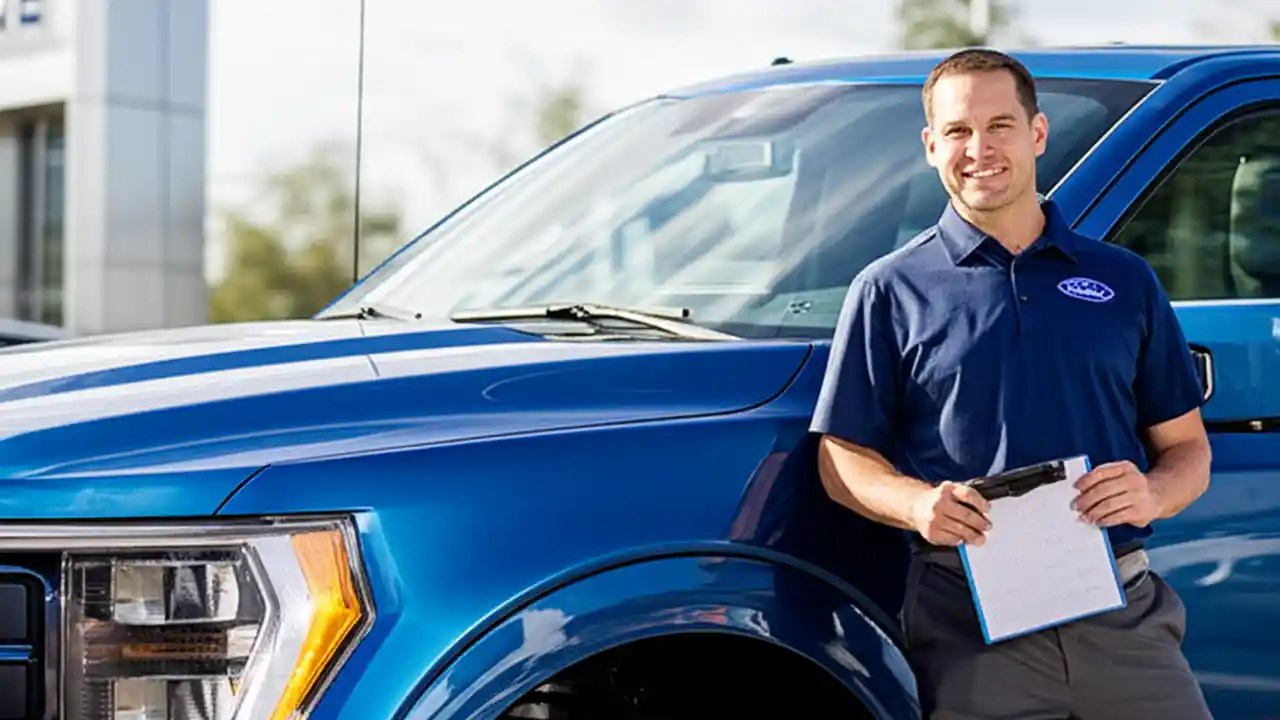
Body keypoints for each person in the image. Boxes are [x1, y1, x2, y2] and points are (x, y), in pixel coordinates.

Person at [810, 48, 1214, 719]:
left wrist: (1151, 492)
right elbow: (840, 460)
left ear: (1037, 134)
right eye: (959, 132)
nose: (979, 149)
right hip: (972, 629)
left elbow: (1188, 451)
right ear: (930, 145)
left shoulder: (1124, 281)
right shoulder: (889, 291)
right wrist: (917, 506)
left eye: (999, 126)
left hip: (1123, 614)